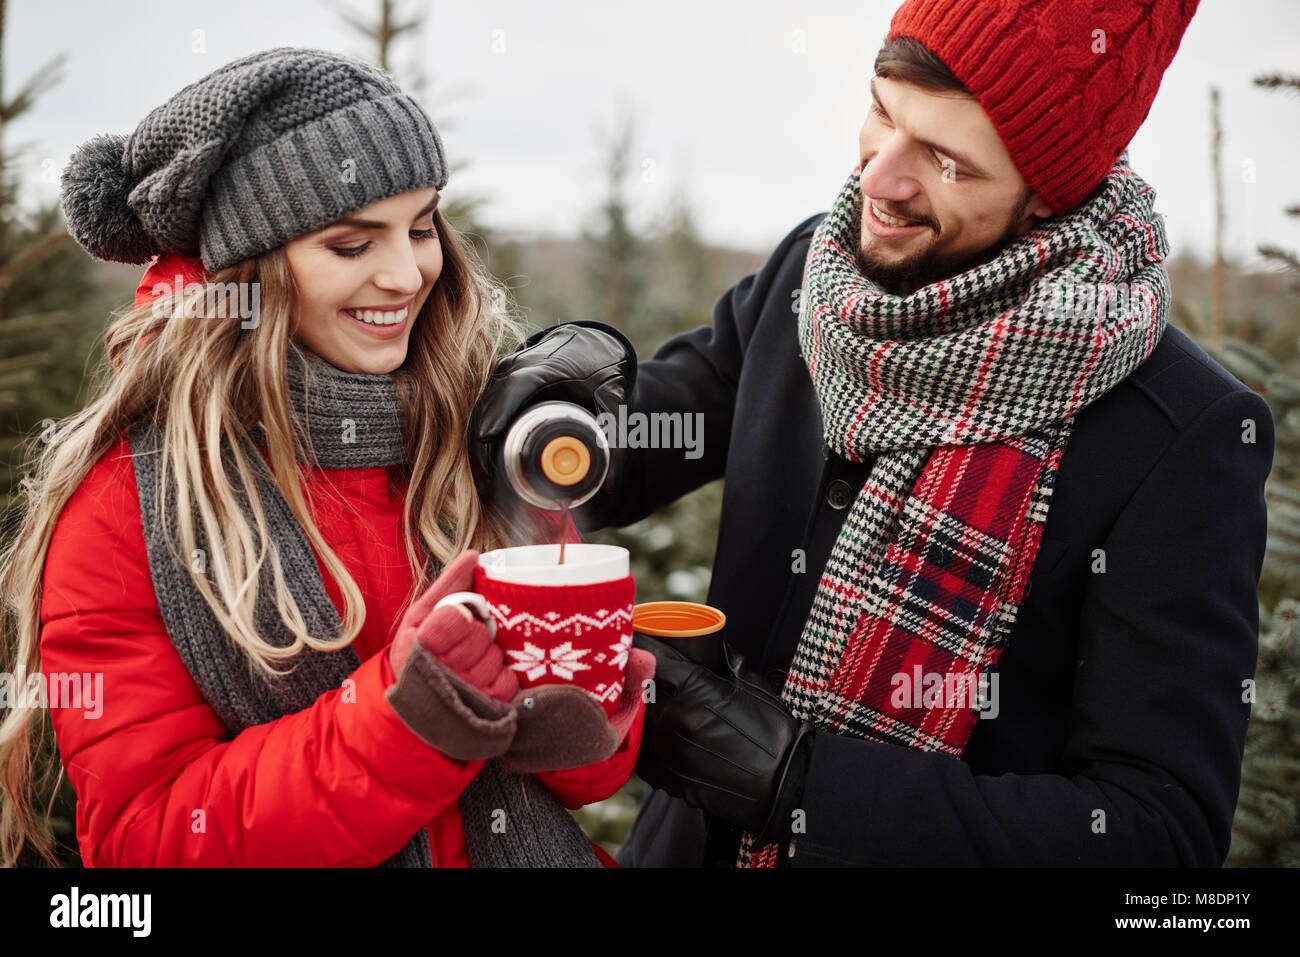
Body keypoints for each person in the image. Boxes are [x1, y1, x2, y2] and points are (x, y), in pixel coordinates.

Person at [472, 0, 1275, 866]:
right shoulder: (816, 275)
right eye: (884, 112)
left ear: (1047, 193)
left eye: (945, 160)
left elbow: (1156, 827)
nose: (880, 178)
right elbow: (667, 419)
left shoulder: (1180, 429)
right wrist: (558, 417)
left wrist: (801, 783)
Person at [0, 47, 651, 868]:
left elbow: (586, 778)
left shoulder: (476, 441)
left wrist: (583, 712)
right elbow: (146, 838)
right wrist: (399, 726)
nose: (407, 272)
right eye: (351, 245)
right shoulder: (133, 505)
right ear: (253, 274)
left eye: (422, 228)